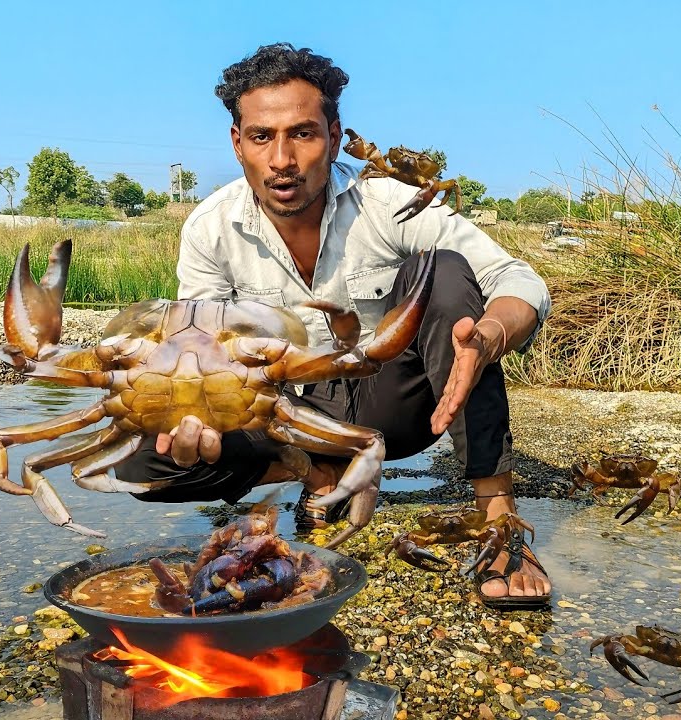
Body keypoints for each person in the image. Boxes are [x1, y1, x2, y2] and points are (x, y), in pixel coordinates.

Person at [114, 42, 553, 609]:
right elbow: (200, 347)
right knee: (143, 459)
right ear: (236, 142)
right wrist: (190, 412)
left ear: (336, 135)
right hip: (285, 412)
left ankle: (499, 521)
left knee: (446, 273)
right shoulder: (210, 228)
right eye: (261, 137)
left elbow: (518, 279)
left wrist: (491, 334)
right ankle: (317, 467)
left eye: (302, 133)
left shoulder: (391, 202)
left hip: (391, 402)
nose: (281, 160)